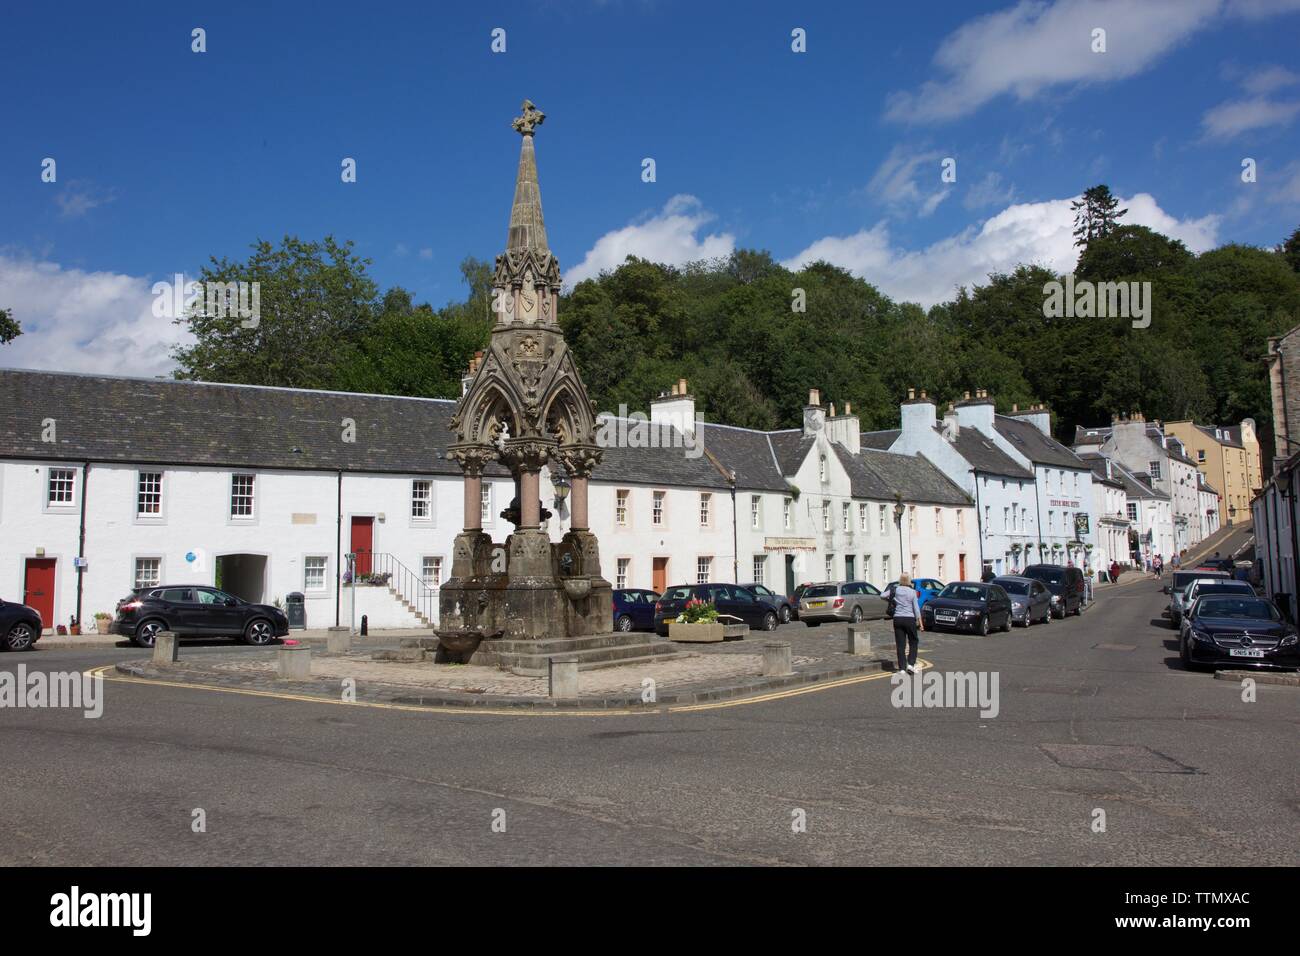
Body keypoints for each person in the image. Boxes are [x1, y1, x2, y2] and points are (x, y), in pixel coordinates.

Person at [891, 572, 923, 675]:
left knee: (900, 645)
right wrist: (920, 622)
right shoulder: (912, 592)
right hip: (909, 619)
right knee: (913, 641)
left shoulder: (895, 590)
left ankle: (901, 669)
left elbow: (882, 595)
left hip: (897, 619)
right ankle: (910, 664)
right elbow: (916, 608)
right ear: (909, 581)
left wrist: (894, 600)